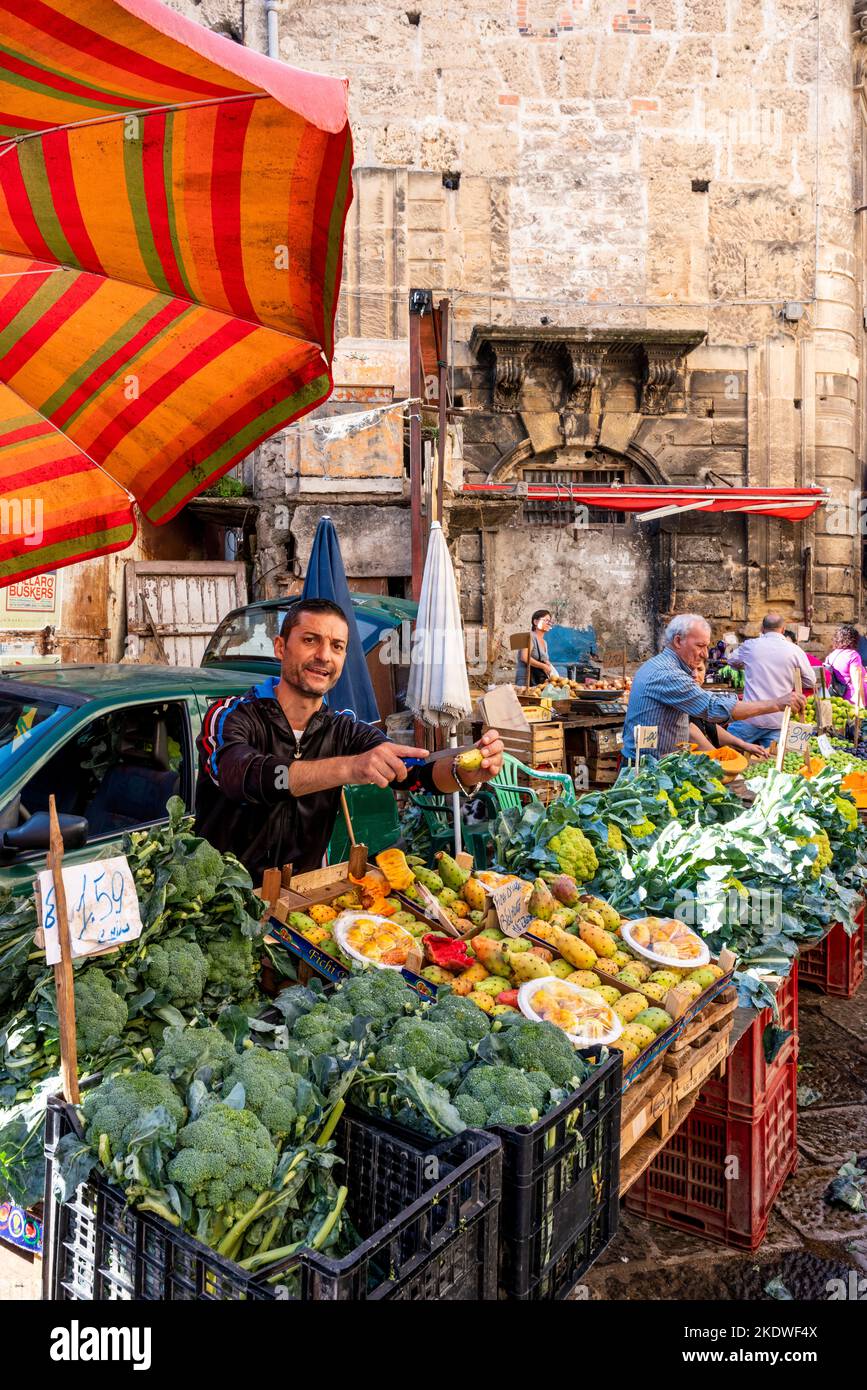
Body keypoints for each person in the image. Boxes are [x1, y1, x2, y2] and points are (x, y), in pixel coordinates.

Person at [194, 598, 504, 881]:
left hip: (301, 892)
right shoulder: (229, 716)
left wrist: (461, 772)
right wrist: (350, 768)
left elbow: (415, 774)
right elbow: (245, 776)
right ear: (280, 647)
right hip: (222, 898)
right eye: (310, 640)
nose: (323, 656)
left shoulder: (343, 729)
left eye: (337, 646)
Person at [620, 614, 807, 762]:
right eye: (700, 646)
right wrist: (777, 703)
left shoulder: (661, 665)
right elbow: (714, 709)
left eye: (706, 646)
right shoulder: (668, 674)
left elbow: (689, 725)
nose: (704, 654)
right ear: (678, 641)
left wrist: (739, 745)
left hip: (655, 763)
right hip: (646, 770)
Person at [725, 613, 817, 749]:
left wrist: (749, 665)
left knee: (726, 755)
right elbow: (811, 681)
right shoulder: (795, 650)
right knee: (774, 764)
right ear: (783, 629)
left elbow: (731, 661)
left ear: (762, 628)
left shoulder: (751, 646)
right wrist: (788, 678)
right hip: (778, 721)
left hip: (749, 719)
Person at [689, 659, 767, 757]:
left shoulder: (700, 697)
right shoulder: (679, 698)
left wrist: (743, 745)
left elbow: (711, 726)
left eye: (700, 669)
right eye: (689, 669)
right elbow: (691, 732)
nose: (695, 674)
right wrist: (720, 758)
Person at [824, 624, 865, 704]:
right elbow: (857, 684)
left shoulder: (831, 655)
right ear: (854, 640)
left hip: (837, 699)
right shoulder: (853, 655)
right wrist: (861, 706)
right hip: (851, 699)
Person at [515, 610, 555, 687]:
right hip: (526, 681)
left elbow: (544, 660)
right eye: (545, 620)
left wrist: (548, 665)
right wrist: (543, 666)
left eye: (549, 622)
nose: (548, 624)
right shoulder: (527, 636)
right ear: (536, 622)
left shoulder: (544, 642)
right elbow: (524, 657)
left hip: (538, 681)